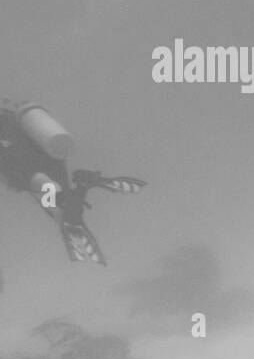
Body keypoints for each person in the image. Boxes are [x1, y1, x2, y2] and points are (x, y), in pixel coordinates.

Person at [0, 104, 145, 266]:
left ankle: (68, 205)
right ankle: (80, 187)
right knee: (56, 191)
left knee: (41, 186)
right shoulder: (13, 116)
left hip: (20, 160)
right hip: (48, 149)